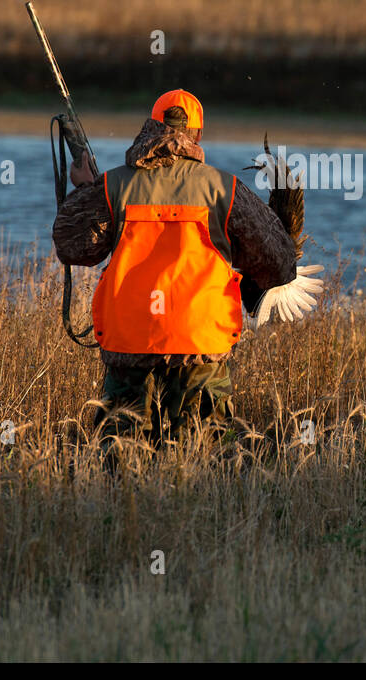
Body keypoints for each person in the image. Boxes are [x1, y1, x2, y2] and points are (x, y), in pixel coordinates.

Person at [52, 89, 323, 457]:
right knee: (202, 461)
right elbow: (280, 264)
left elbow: (72, 248)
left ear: (150, 127)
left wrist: (85, 192)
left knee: (120, 464)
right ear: (197, 135)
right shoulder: (223, 188)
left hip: (130, 342)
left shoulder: (112, 185)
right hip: (199, 345)